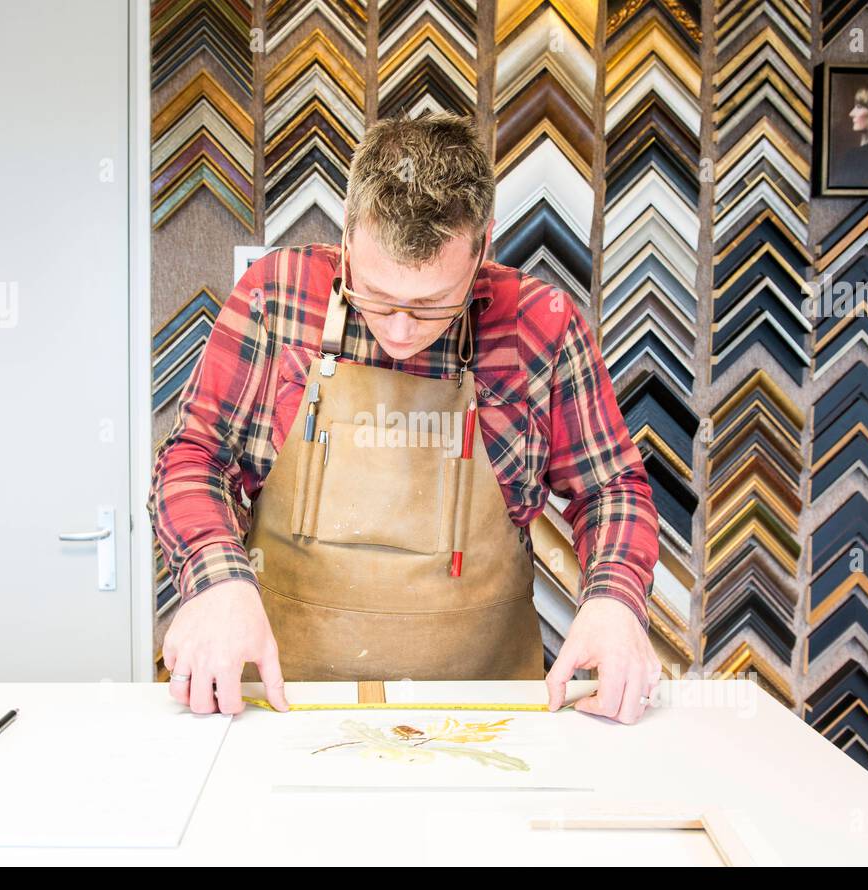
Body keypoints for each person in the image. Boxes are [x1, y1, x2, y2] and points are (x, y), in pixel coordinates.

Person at [148, 113, 662, 723]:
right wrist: (217, 578)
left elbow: (611, 489)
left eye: (429, 307)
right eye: (374, 295)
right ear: (348, 231)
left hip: (484, 720)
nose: (397, 332)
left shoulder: (539, 323)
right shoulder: (276, 297)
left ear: (482, 247)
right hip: (280, 710)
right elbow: (193, 458)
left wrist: (615, 601)